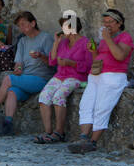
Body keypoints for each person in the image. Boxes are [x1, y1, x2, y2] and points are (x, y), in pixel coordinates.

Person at [68, 9, 134, 153]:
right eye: (105, 22)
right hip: (96, 75)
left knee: (101, 108)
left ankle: (92, 142)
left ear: (119, 23)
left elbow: (120, 56)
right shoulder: (105, 39)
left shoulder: (125, 37)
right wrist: (93, 52)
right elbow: (98, 59)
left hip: (113, 76)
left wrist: (108, 39)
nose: (106, 25)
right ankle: (83, 137)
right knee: (86, 105)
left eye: (110, 22)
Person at [0, 11, 54, 135]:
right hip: (26, 78)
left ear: (33, 23)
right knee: (12, 92)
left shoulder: (46, 38)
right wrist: (18, 69)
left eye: (24, 24)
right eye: (19, 26)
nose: (22, 28)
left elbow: (52, 62)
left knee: (8, 79)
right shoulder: (22, 41)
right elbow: (19, 62)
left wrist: (40, 56)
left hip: (41, 78)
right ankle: (8, 124)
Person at [34, 11, 92, 143]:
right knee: (44, 96)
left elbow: (88, 66)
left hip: (77, 77)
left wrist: (70, 63)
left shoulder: (85, 43)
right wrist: (55, 43)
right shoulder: (63, 43)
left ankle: (59, 132)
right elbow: (52, 61)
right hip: (60, 75)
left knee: (58, 96)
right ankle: (48, 132)